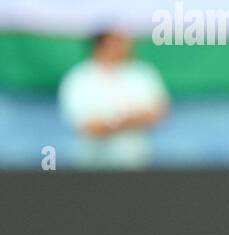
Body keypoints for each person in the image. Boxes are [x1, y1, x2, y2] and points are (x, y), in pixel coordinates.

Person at [58, 30, 169, 168]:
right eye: (118, 41)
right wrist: (127, 120)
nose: (125, 46)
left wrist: (110, 122)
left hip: (136, 160)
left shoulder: (143, 73)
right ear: (102, 44)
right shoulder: (78, 78)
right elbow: (88, 127)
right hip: (91, 162)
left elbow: (158, 113)